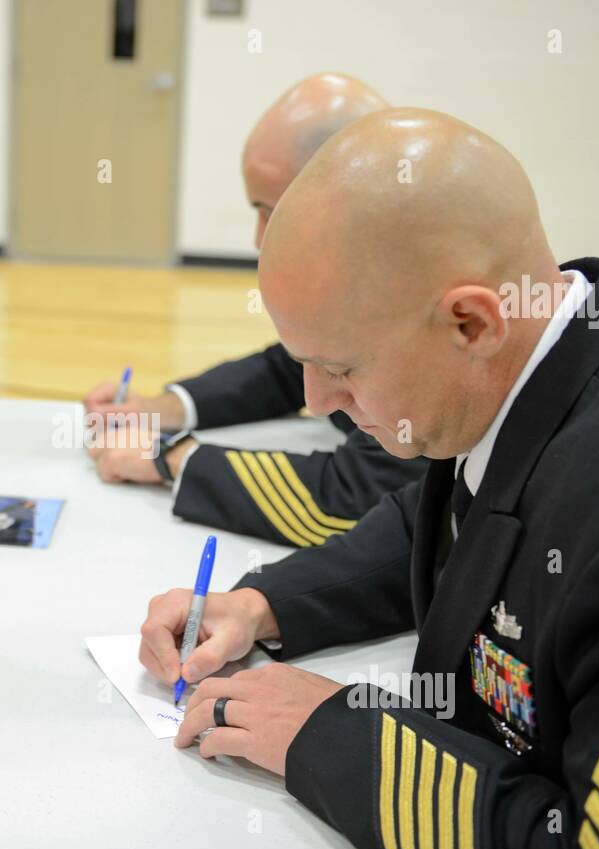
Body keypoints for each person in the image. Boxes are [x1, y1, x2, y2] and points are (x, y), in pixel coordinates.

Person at [139, 108, 599, 849]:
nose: (315, 401)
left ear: (471, 323)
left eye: (341, 367)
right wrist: (264, 603)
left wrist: (335, 735)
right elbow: (452, 524)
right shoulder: (543, 371)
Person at [84, 74, 424, 548]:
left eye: (271, 211)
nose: (259, 239)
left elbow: (359, 501)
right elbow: (286, 369)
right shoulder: (377, 274)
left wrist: (170, 458)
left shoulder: (418, 303)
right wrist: (159, 411)